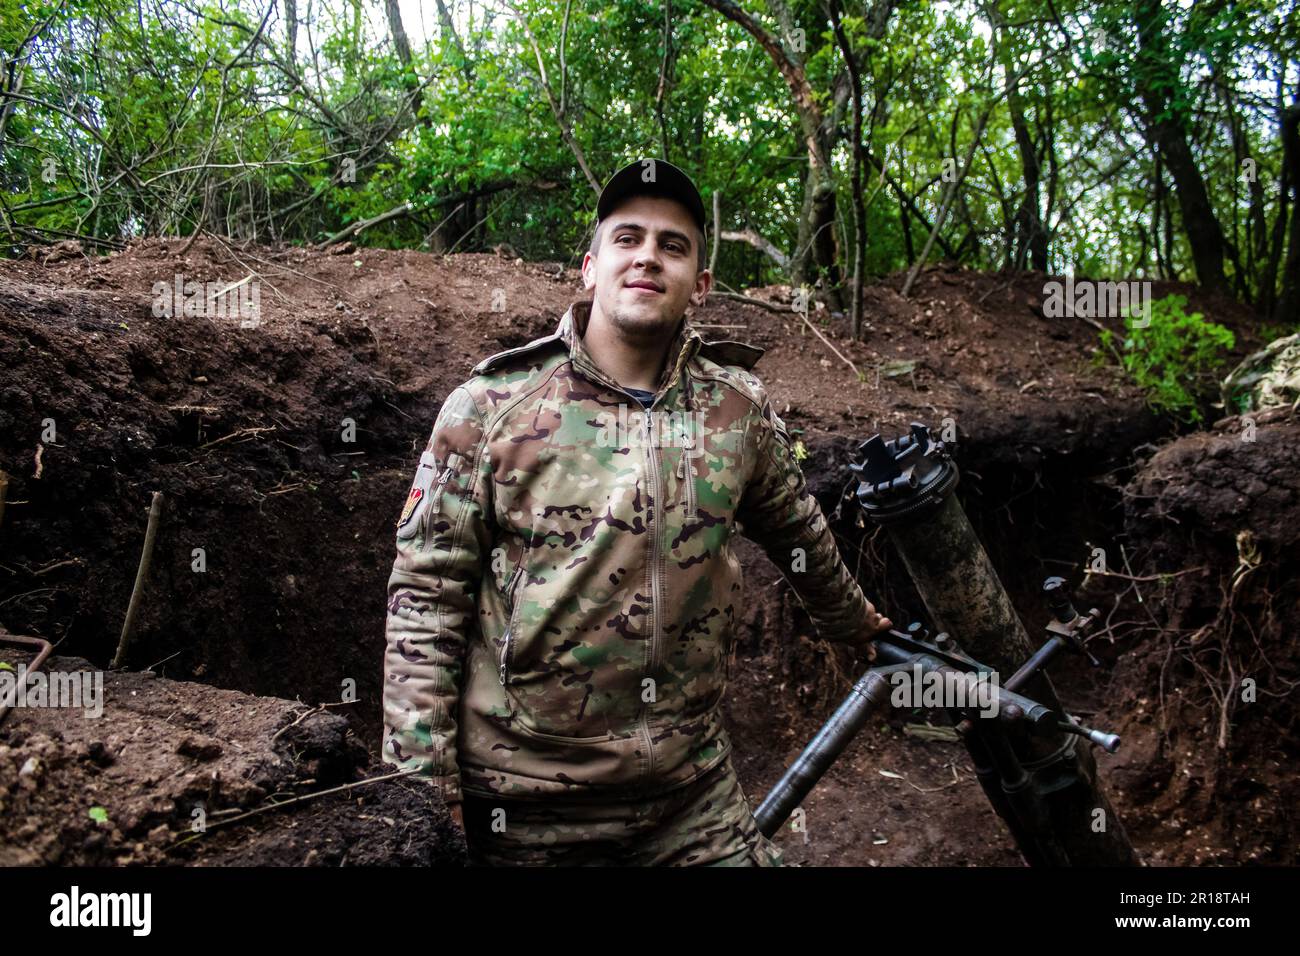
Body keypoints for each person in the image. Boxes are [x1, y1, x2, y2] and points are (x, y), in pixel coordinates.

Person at [381, 158, 891, 866]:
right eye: (628, 238)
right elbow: (426, 603)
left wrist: (856, 625)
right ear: (590, 267)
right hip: (522, 807)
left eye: (673, 245)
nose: (648, 255)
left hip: (690, 799)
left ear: (701, 286)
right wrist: (423, 808)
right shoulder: (491, 408)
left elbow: (797, 529)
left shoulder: (735, 410)